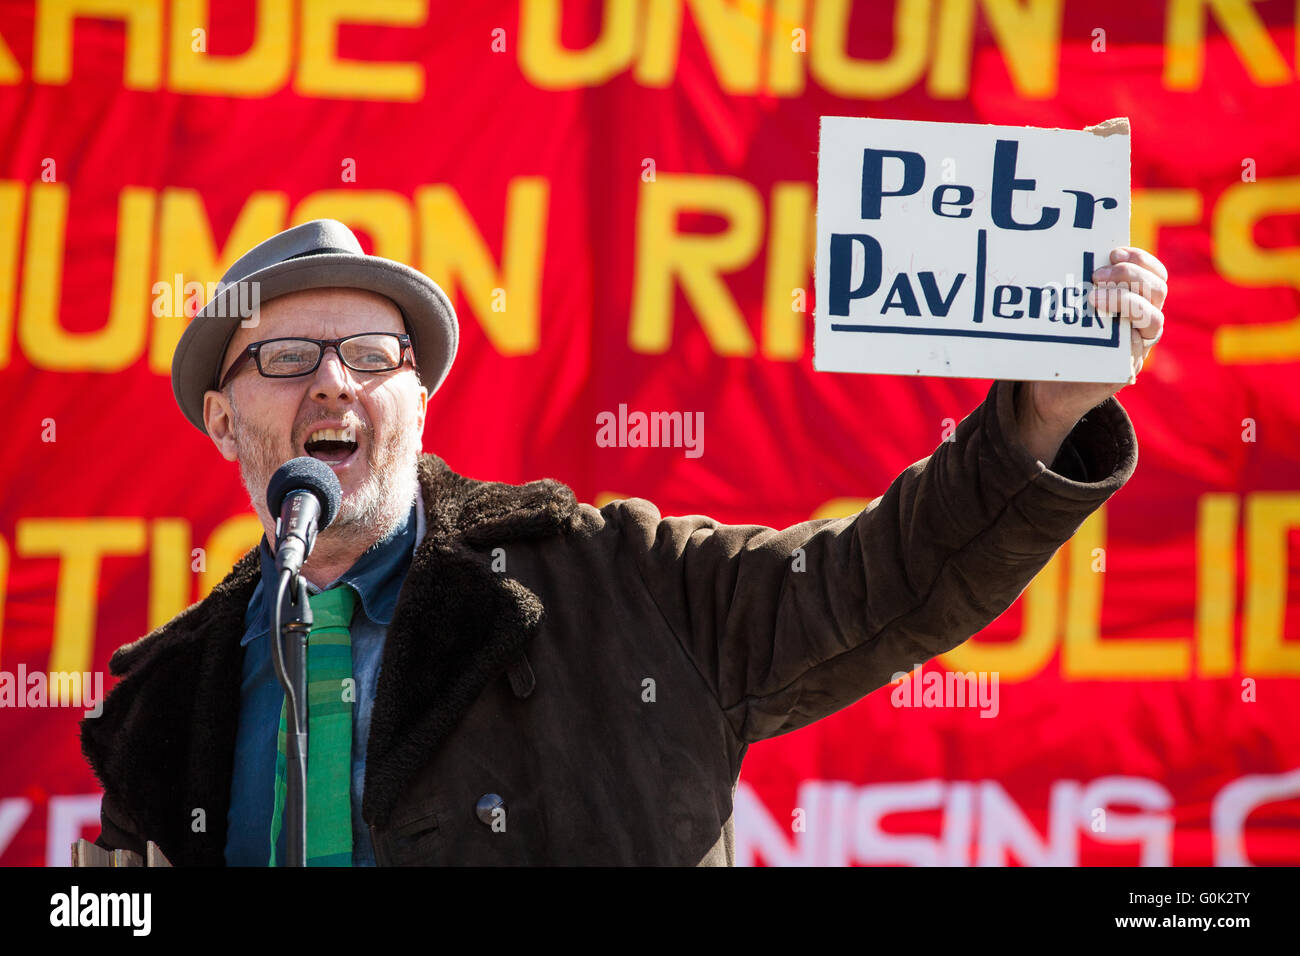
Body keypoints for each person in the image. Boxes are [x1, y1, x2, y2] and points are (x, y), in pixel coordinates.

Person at [81, 218, 1166, 865]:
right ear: (224, 423)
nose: (333, 379)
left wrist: (1039, 412)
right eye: (285, 359)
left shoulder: (610, 582)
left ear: (418, 399)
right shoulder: (161, 703)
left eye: (370, 351)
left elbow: (883, 583)